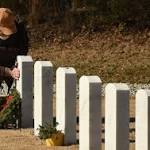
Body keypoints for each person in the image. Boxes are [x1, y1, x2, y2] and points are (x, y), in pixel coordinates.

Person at [0, 8, 28, 93]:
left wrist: (16, 66)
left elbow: (23, 50)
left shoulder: (20, 29)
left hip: (14, 69)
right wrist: (7, 71)